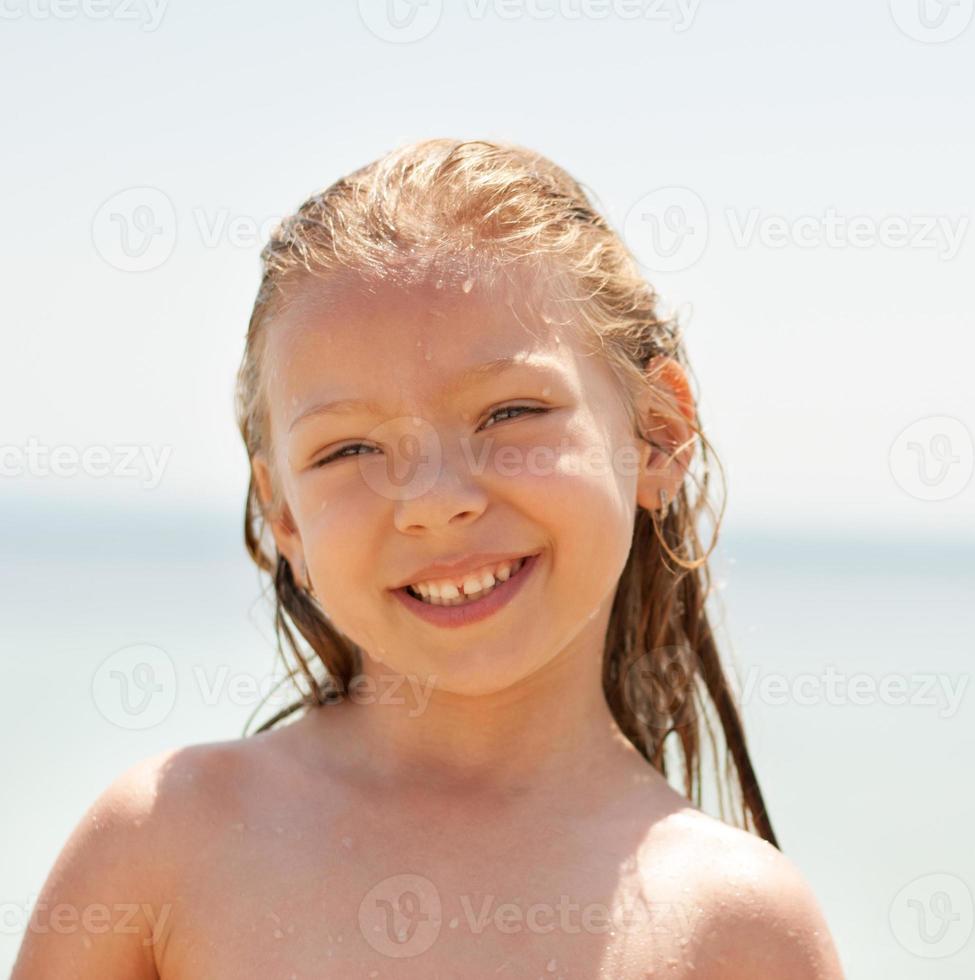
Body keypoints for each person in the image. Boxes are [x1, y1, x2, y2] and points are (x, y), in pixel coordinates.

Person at [12, 138, 846, 979]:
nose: (434, 499)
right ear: (284, 517)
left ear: (659, 433)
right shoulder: (167, 845)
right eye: (347, 451)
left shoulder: (736, 926)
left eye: (510, 411)